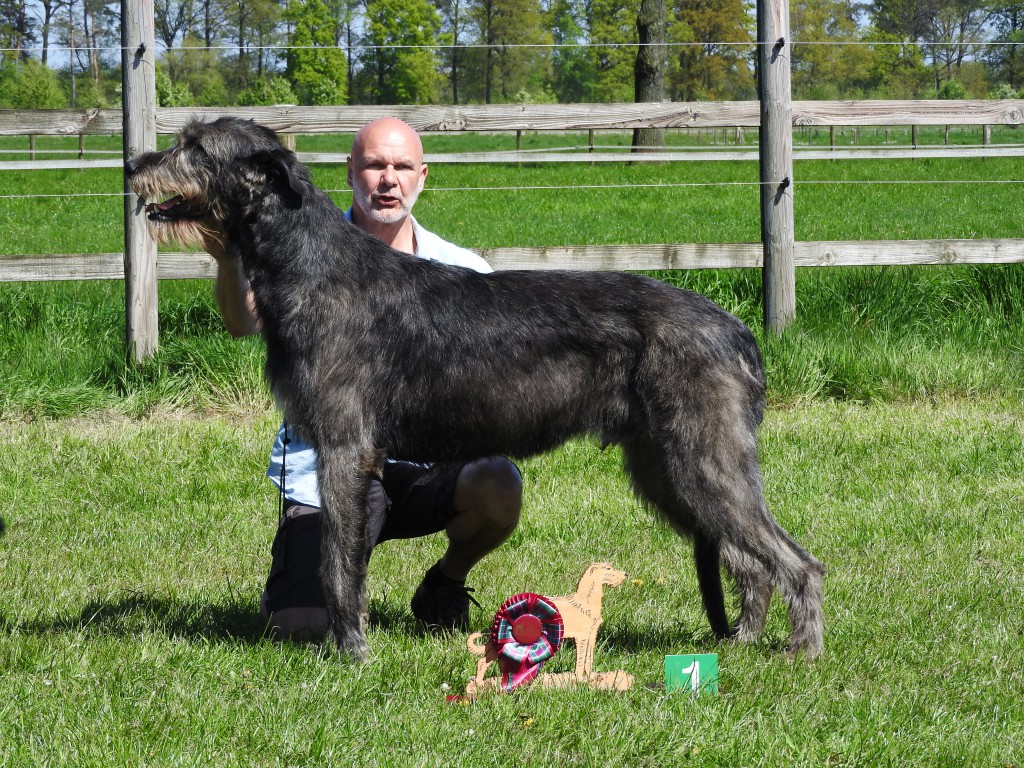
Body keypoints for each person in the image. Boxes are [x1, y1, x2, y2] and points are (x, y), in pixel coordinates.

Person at [206, 117, 523, 640]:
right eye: (375, 164)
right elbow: (242, 322)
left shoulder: (464, 269)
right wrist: (229, 257)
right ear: (350, 171)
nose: (388, 179)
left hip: (427, 465)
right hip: (329, 469)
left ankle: (445, 581)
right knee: (301, 630)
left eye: (401, 167)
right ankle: (314, 587)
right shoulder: (305, 258)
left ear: (423, 175)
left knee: (499, 483)